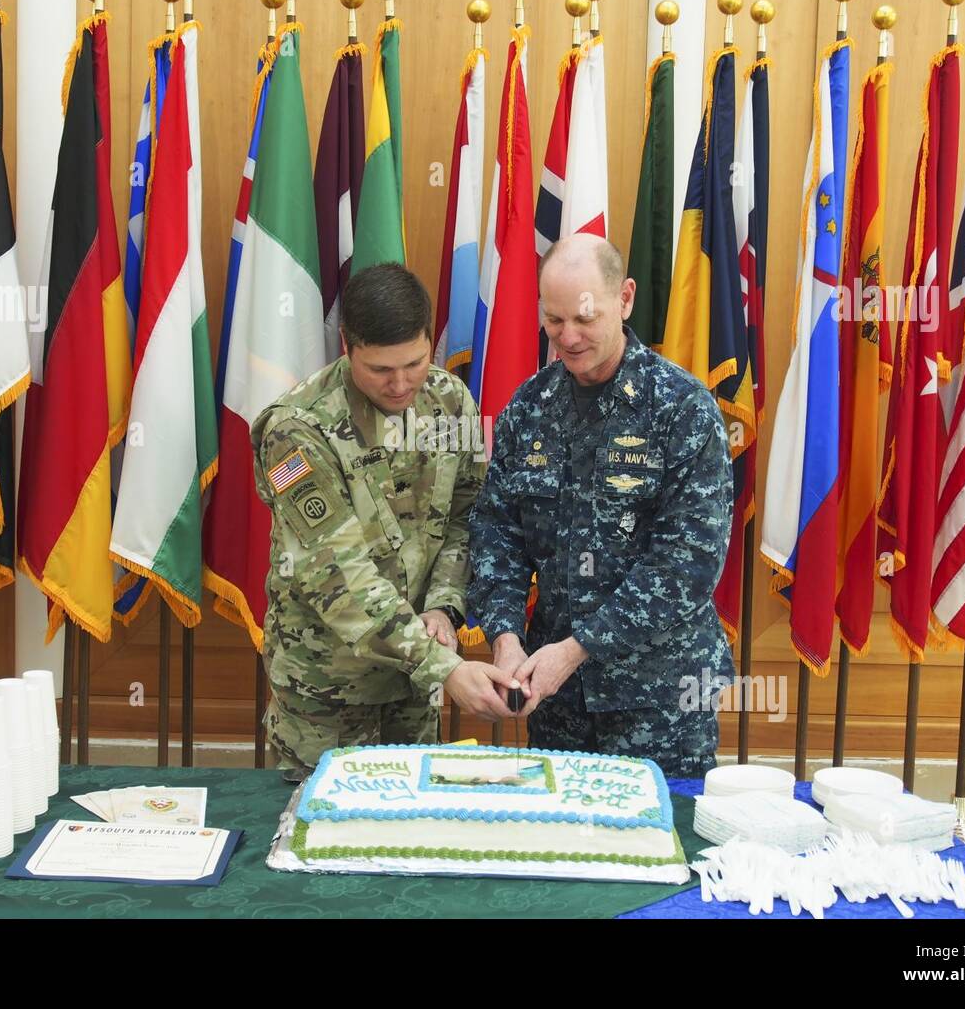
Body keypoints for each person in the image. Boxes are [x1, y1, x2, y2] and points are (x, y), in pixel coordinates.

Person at [468, 234, 733, 777]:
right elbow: (498, 531)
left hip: (660, 700)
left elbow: (687, 566)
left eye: (584, 318)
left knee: (659, 850)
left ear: (625, 298)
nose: (568, 337)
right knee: (560, 850)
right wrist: (504, 636)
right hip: (557, 703)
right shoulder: (530, 406)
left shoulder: (682, 410)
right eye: (553, 320)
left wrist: (580, 647)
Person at [252, 262, 515, 777]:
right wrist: (445, 666)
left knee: (412, 829)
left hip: (414, 675)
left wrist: (443, 607)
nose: (400, 384)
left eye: (414, 363)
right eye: (380, 370)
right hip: (327, 687)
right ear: (348, 345)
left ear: (427, 339)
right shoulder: (296, 431)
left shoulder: (449, 401)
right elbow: (337, 576)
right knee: (322, 837)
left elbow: (468, 514)